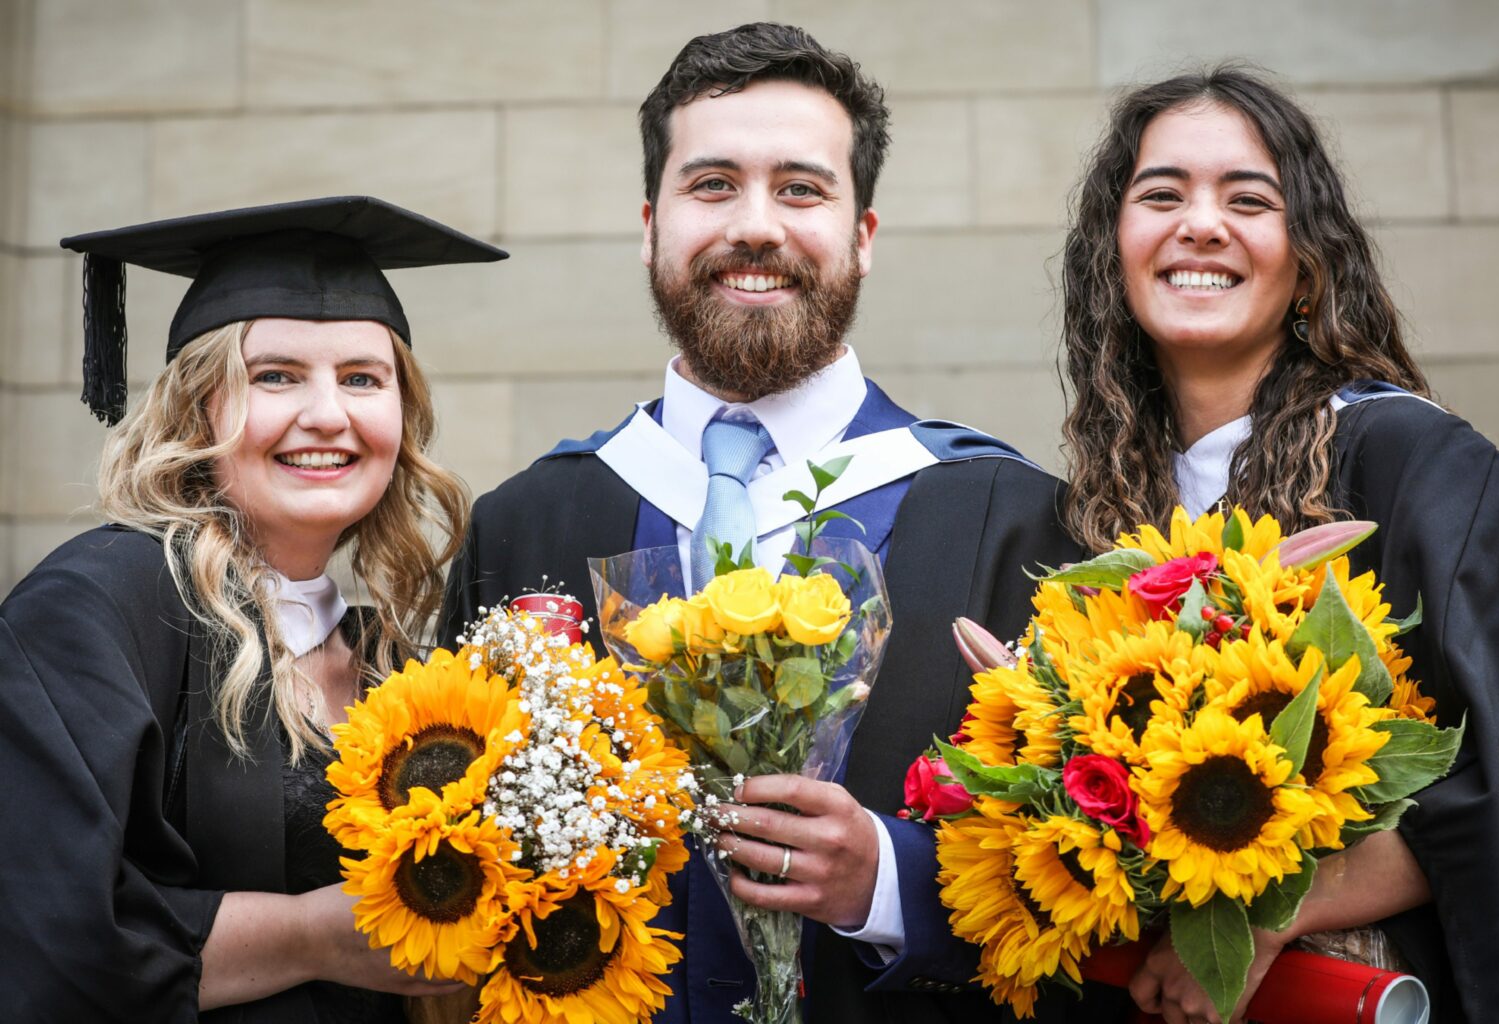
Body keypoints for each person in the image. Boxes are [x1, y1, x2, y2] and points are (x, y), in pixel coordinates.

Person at [439, 21, 1122, 1024]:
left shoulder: (1009, 518)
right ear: (650, 224)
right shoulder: (527, 524)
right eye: (712, 184)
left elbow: (1095, 873)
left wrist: (887, 880)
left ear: (863, 236)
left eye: (801, 188)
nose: (755, 224)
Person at [1055, 66, 1499, 1023]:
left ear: (1307, 261)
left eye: (1248, 199)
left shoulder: (1418, 466)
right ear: (1115, 251)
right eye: (1161, 195)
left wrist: (1267, 918)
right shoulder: (1098, 512)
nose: (1200, 224)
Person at [0, 196, 502, 1022]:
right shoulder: (95, 613)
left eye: (362, 380)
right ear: (198, 408)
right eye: (274, 376)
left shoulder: (388, 659)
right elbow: (44, 929)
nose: (327, 415)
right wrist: (311, 934)